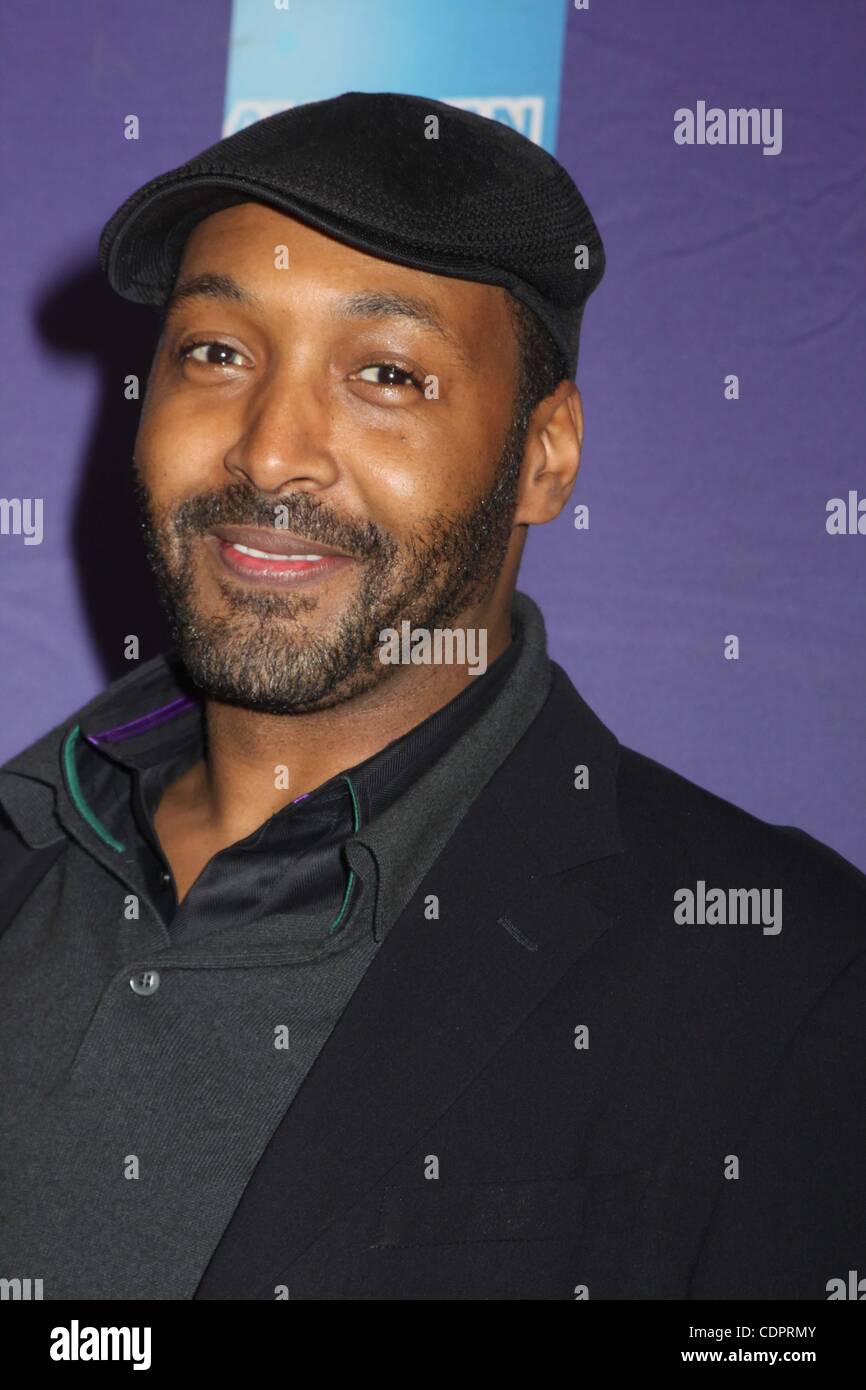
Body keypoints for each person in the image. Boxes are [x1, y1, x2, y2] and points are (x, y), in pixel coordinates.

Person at [0, 91, 863, 1302]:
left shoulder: (788, 980)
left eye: (387, 373)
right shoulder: (22, 847)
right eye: (217, 352)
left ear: (542, 455)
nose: (268, 449)